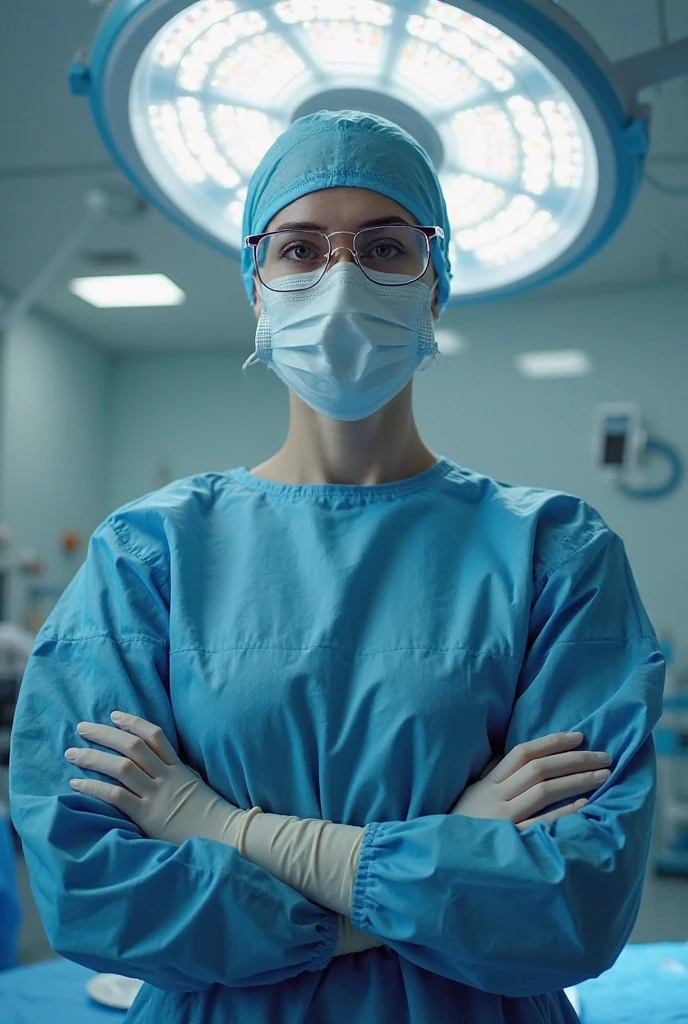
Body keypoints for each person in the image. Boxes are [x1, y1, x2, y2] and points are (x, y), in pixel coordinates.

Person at [9, 111, 665, 1024]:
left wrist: (219, 829)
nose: (342, 277)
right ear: (257, 287)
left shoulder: (556, 552)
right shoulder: (149, 553)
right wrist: (449, 855)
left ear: (436, 285)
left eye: (387, 247)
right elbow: (94, 891)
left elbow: (574, 901)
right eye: (301, 248)